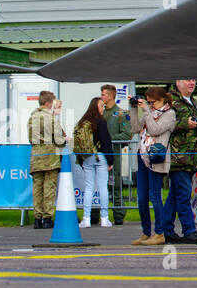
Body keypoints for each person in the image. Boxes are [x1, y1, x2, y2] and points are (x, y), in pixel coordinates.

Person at [165, 79, 197, 245]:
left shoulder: (192, 101)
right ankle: (189, 230)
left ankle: (166, 230)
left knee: (174, 196)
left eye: (193, 79)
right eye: (187, 79)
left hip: (191, 158)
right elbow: (160, 123)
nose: (192, 82)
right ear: (177, 82)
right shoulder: (170, 101)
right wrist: (184, 124)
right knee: (182, 196)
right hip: (178, 158)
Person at [132, 86, 175, 246]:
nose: (150, 105)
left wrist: (146, 111)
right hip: (143, 156)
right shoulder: (149, 112)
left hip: (157, 158)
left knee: (154, 195)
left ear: (163, 99)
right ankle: (145, 232)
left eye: (153, 102)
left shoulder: (170, 114)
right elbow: (135, 128)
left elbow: (154, 129)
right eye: (148, 102)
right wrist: (134, 109)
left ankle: (159, 232)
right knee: (142, 198)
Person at [28, 91, 67, 229]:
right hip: (50, 158)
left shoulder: (32, 117)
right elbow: (59, 140)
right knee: (49, 188)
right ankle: (47, 218)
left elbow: (30, 138)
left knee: (37, 188)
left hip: (36, 157)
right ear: (48, 103)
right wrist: (64, 140)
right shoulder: (51, 118)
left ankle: (37, 219)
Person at [73, 97, 114, 228]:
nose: (104, 108)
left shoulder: (83, 122)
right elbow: (106, 142)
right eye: (102, 106)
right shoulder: (100, 121)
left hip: (87, 158)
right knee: (102, 186)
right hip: (100, 156)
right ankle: (104, 218)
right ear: (97, 107)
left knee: (89, 187)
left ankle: (86, 218)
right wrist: (110, 160)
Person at [100, 85, 132, 226]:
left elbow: (126, 135)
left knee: (115, 185)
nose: (102, 97)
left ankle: (118, 214)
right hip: (100, 155)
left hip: (115, 156)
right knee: (98, 185)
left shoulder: (120, 113)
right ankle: (97, 213)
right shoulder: (99, 113)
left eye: (104, 94)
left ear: (111, 96)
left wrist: (108, 139)